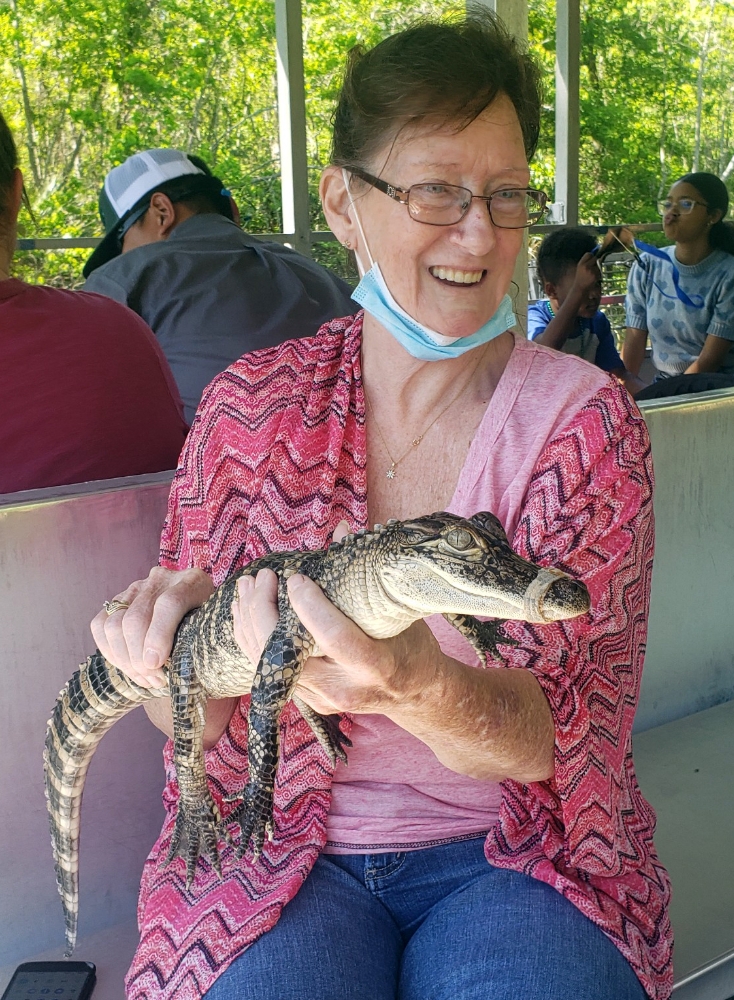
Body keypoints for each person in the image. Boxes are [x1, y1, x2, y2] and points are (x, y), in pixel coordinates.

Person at [91, 12, 672, 1000]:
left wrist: (411, 682)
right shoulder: (246, 412)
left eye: (504, 195)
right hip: (275, 850)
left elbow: (566, 734)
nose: (479, 233)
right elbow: (203, 712)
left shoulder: (585, 422)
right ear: (345, 202)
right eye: (437, 192)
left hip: (515, 846)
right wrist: (154, 663)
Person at [82, 148, 357, 423]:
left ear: (162, 212)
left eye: (121, 241)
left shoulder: (126, 276)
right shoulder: (319, 275)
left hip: (213, 461)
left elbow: (82, 405)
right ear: (233, 211)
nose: (122, 255)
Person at [0, 111, 187, 495]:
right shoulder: (119, 329)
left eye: (121, 241)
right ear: (15, 192)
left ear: (162, 213)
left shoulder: (122, 293)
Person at [622, 173, 734, 388]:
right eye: (668, 204)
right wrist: (621, 396)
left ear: (713, 216)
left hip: (725, 387)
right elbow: (633, 343)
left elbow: (709, 362)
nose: (671, 213)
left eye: (686, 204)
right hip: (668, 384)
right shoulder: (647, 266)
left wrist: (666, 400)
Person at [528, 227, 645, 395]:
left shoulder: (597, 323)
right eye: (583, 287)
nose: (594, 294)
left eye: (597, 284)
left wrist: (656, 395)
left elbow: (618, 376)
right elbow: (545, 351)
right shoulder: (535, 317)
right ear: (552, 291)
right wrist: (578, 290)